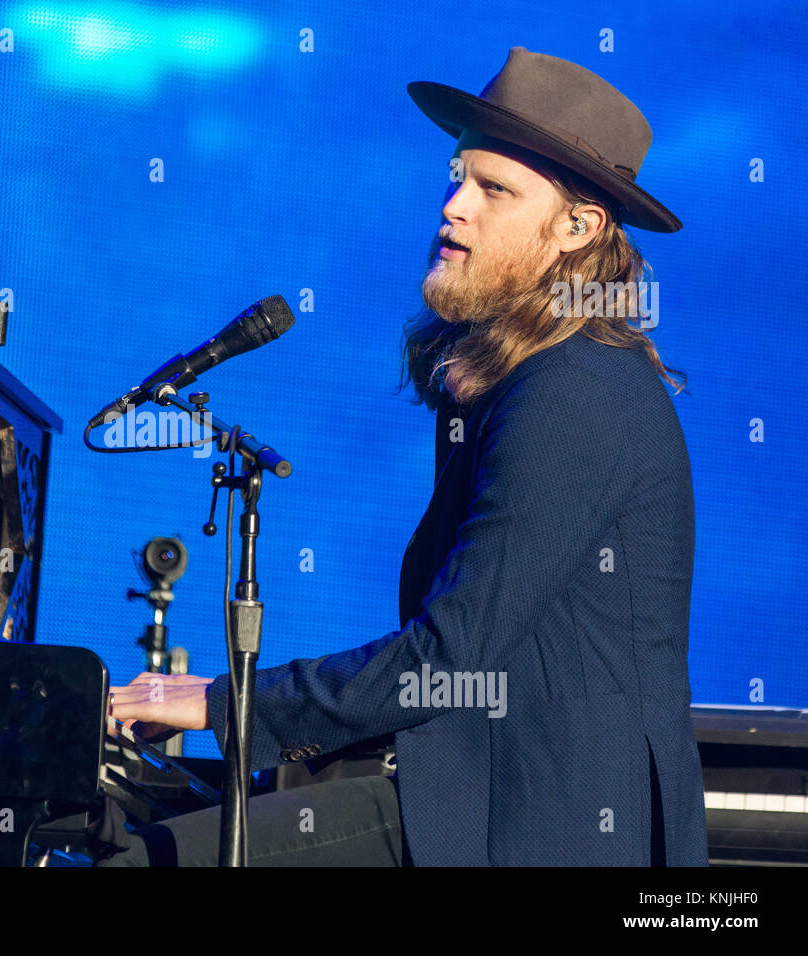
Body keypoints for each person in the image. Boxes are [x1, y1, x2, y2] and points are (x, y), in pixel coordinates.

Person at [98, 48, 709, 866]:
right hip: (478, 802)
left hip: (535, 826)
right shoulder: (531, 378)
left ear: (577, 227)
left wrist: (224, 700)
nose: (454, 208)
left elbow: (452, 657)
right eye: (460, 178)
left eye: (495, 191)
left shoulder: (577, 390)